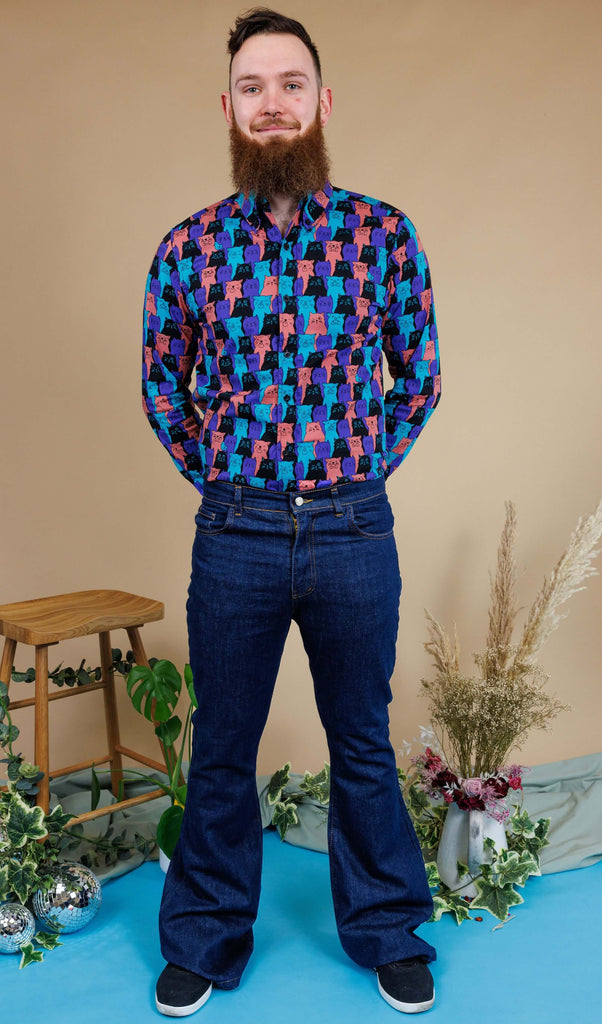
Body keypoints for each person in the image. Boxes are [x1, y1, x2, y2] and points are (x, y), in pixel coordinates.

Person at [142, 8, 441, 1016]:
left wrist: (355, 471)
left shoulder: (381, 235)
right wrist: (224, 481)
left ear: (321, 101)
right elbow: (161, 389)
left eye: (291, 84)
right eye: (253, 88)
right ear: (227, 107)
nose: (273, 105)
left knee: (359, 739)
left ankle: (386, 929)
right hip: (236, 535)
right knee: (223, 741)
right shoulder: (187, 250)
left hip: (354, 531)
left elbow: (420, 377)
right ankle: (204, 938)